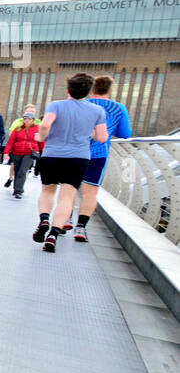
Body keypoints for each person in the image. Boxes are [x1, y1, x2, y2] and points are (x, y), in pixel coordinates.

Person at [32, 73, 108, 253]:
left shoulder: (56, 105)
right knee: (67, 196)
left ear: (68, 90)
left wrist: (41, 137)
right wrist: (90, 133)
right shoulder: (97, 111)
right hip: (79, 157)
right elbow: (102, 138)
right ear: (89, 92)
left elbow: (44, 125)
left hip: (52, 154)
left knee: (48, 190)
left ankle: (44, 219)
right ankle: (53, 234)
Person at [75, 75, 133, 241]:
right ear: (110, 91)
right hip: (99, 154)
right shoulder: (119, 108)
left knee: (70, 187)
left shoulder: (81, 104)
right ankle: (81, 228)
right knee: (90, 192)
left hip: (76, 152)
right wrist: (109, 129)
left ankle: (65, 220)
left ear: (91, 90)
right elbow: (125, 134)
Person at [2, 110, 43, 199]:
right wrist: (6, 152)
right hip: (17, 152)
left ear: (33, 120)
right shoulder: (18, 129)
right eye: (25, 119)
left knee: (22, 171)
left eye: (29, 119)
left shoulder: (37, 129)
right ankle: (16, 188)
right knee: (17, 170)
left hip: (29, 153)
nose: (27, 121)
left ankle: (18, 190)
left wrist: (43, 152)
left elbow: (41, 142)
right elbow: (11, 142)